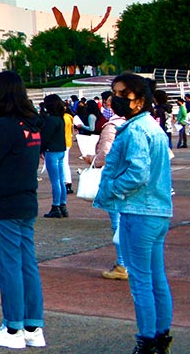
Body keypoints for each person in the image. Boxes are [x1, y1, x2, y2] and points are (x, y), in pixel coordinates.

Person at [94, 74, 175, 354]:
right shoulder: (153, 128)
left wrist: (111, 189)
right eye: (114, 93)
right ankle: (161, 336)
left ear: (140, 100)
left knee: (141, 281)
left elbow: (137, 173)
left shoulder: (136, 130)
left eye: (121, 94)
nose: (115, 98)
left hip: (138, 211)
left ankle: (147, 340)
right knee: (156, 277)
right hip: (158, 211)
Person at [0, 71, 46, 349]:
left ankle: (13, 328)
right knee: (28, 264)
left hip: (5, 203)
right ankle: (33, 326)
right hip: (26, 200)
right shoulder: (31, 125)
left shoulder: (2, 126)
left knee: (11, 266)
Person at [86, 99, 129, 281]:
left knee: (118, 224)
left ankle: (122, 264)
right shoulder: (137, 124)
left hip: (116, 181)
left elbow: (105, 156)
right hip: (133, 182)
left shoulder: (112, 127)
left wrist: (91, 158)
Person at [40, 94, 69, 218]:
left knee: (55, 181)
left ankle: (55, 206)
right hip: (61, 150)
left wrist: (40, 150)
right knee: (61, 180)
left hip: (51, 151)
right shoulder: (60, 118)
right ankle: (62, 205)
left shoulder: (50, 119)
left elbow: (45, 137)